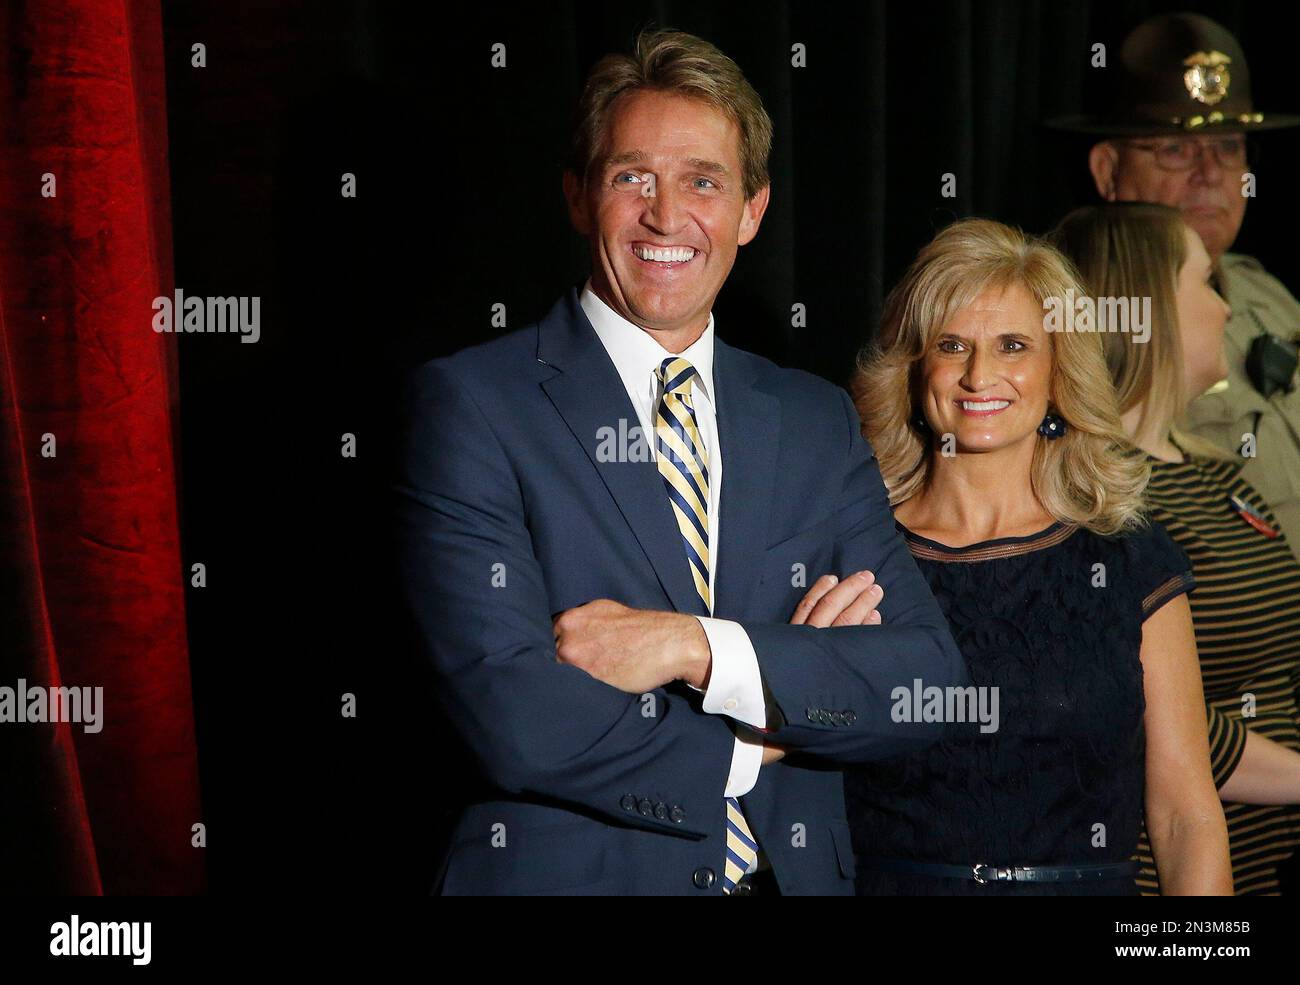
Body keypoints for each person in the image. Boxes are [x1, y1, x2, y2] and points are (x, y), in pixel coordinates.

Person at [393, 27, 967, 896]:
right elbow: (511, 712)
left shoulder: (813, 419)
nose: (667, 215)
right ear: (581, 197)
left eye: (703, 181)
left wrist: (694, 647)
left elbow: (923, 679)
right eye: (633, 177)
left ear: (751, 211)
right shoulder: (474, 406)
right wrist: (763, 728)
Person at [844, 218, 1232, 895]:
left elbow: (1185, 819)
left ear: (1059, 371)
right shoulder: (850, 552)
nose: (979, 374)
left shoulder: (1130, 557)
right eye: (952, 344)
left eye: (1013, 345)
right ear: (913, 369)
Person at [1051, 202, 1300, 894]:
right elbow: (1136, 707)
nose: (1225, 310)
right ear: (1149, 307)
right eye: (1205, 283)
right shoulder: (1087, 497)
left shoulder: (1216, 474)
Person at [1048, 12, 1300, 555]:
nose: (1210, 173)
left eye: (1229, 146)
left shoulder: (1270, 298)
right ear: (1108, 170)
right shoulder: (1083, 319)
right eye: (1177, 149)